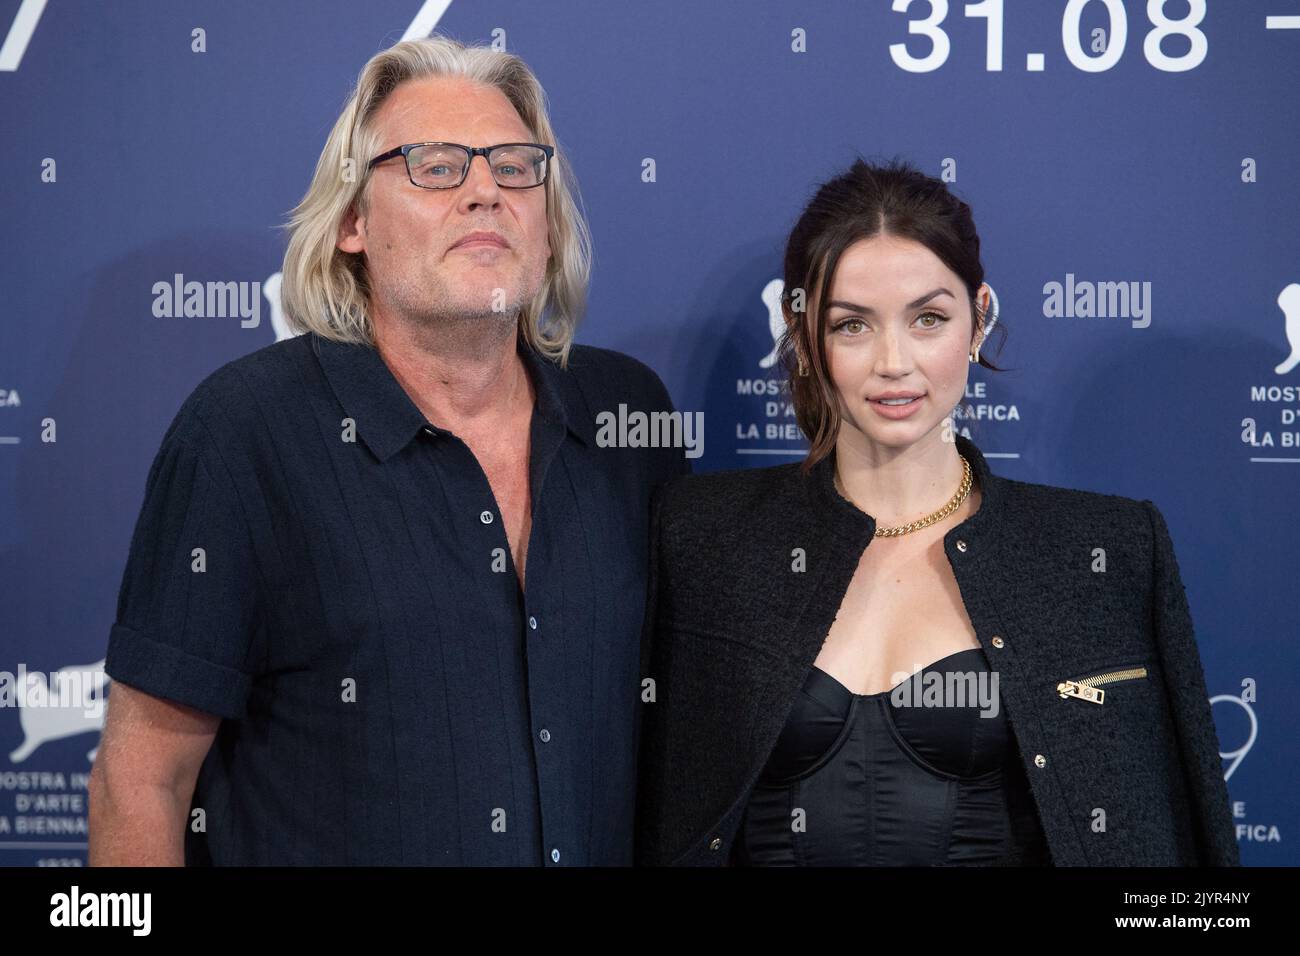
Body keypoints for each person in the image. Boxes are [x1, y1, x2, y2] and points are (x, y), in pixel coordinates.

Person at [89, 36, 689, 866]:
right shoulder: (244, 433)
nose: (486, 191)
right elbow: (141, 783)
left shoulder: (630, 420)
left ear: (548, 221)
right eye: (435, 166)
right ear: (351, 223)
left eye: (516, 167)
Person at [634, 158, 1238, 867]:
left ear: (979, 319)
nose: (894, 362)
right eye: (853, 326)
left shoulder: (1102, 553)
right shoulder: (700, 535)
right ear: (803, 335)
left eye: (928, 318)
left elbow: (1172, 833)